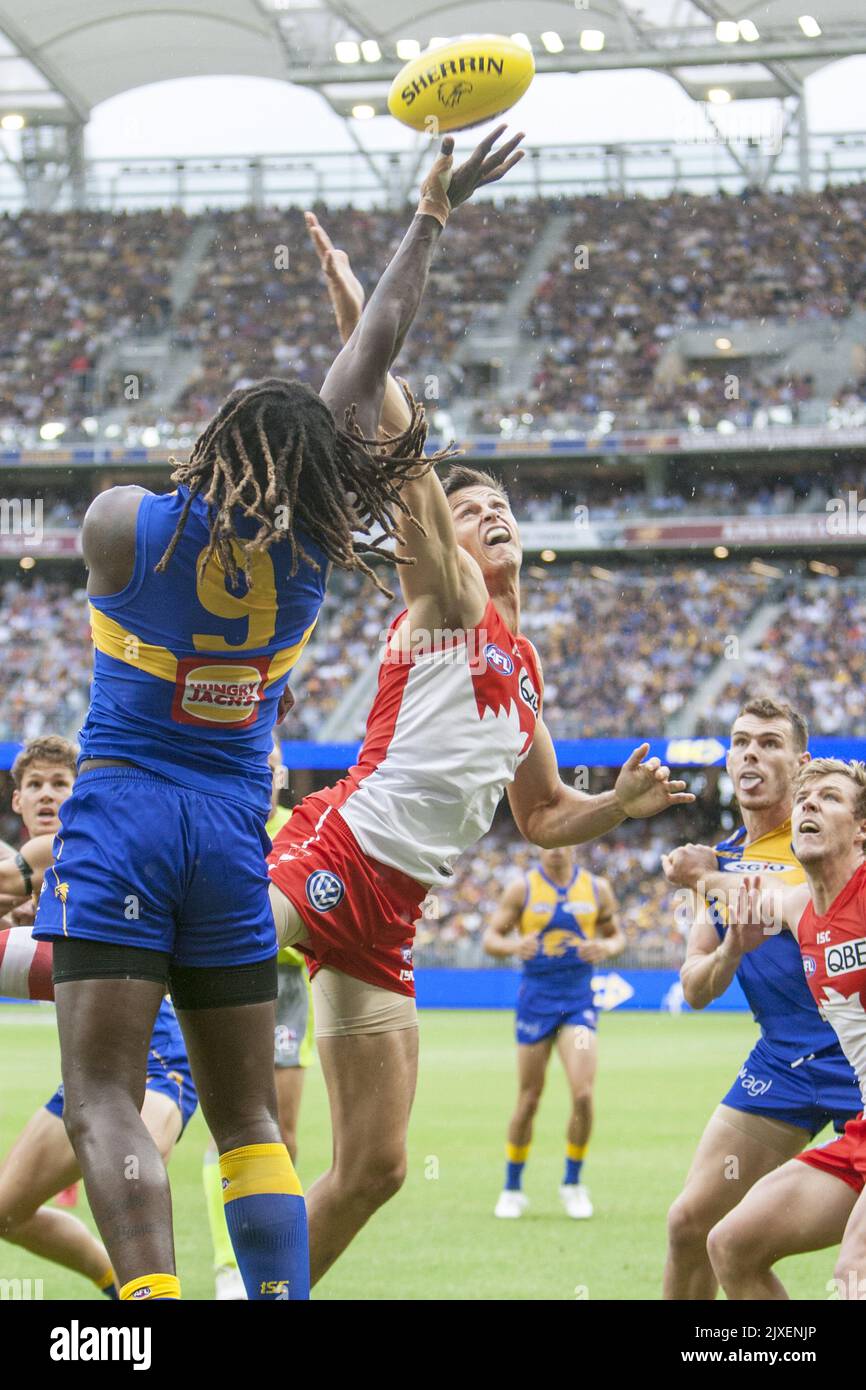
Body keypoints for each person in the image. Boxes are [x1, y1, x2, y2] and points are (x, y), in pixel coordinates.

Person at [30, 129, 525, 1302]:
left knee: (104, 1095)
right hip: (230, 830)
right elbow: (369, 362)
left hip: (126, 812)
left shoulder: (119, 523)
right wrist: (429, 217)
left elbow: (339, 383)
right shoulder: (311, 551)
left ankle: (143, 1319)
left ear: (218, 448)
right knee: (250, 1111)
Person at [264, 212, 694, 1286]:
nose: (488, 512)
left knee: (373, 1169)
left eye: (500, 504)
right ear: (440, 542)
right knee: (205, 967)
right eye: (470, 508)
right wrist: (356, 305)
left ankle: (248, 1293)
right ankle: (63, 970)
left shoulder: (525, 666)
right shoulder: (446, 603)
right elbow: (399, 450)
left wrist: (623, 801)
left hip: (393, 912)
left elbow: (546, 816)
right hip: (338, 853)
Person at [661, 698, 862, 1299]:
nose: (751, 752)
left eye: (769, 743)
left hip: (850, 1057)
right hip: (787, 1059)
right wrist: (729, 951)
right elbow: (695, 987)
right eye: (741, 741)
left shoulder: (827, 850)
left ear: (800, 762)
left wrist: (700, 876)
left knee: (851, 1272)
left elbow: (786, 890)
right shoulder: (723, 859)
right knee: (693, 1226)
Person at [0, 736, 197, 1298]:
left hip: (160, 1058)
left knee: (127, 1173)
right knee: (6, 1212)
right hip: (91, 1067)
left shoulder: (98, 847)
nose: (46, 795)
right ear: (16, 801)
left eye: (60, 784)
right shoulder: (28, 879)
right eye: (34, 785)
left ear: (81, 790)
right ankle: (115, 1284)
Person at [705, 758, 866, 1300]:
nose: (810, 806)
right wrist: (694, 872)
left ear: (862, 827)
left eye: (830, 798)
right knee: (730, 1244)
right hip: (862, 1131)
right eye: (804, 799)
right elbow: (739, 890)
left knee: (854, 1275)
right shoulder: (800, 908)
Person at [201, 737, 315, 1301]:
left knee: (283, 1136)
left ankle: (268, 1272)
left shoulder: (302, 826)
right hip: (222, 979)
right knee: (234, 1129)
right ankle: (228, 1268)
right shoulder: (217, 818)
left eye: (270, 766)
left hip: (288, 987)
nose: (262, 773)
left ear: (280, 773)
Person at [482, 844, 624, 1220]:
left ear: (576, 844)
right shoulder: (523, 889)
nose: (555, 850)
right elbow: (490, 939)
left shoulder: (596, 889)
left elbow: (617, 936)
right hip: (535, 1002)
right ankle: (512, 1187)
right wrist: (515, 945)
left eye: (563, 842)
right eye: (546, 844)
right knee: (529, 1098)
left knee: (583, 1094)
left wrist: (605, 946)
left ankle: (572, 1183)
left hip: (578, 1003)